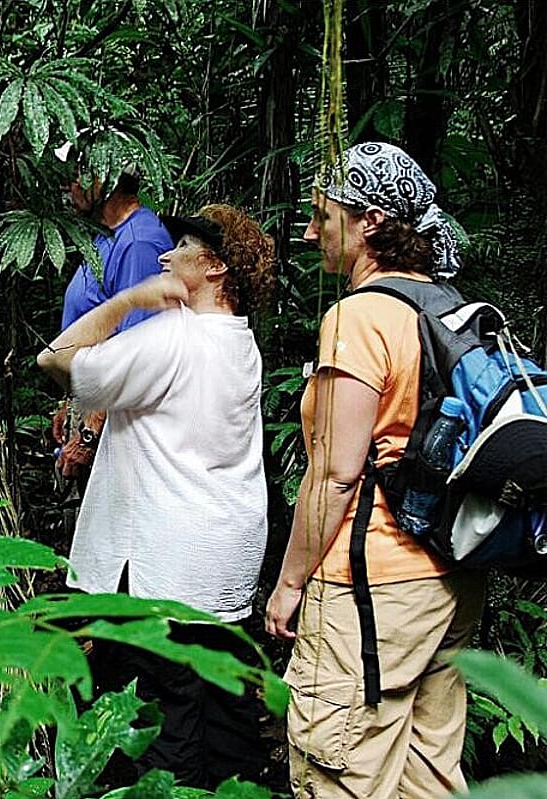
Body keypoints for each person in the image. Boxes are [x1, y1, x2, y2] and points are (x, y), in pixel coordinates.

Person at [264, 142, 480, 799]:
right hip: (450, 577)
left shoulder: (358, 317)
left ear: (371, 222)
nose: (310, 233)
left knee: (341, 773)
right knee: (430, 774)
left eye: (323, 216)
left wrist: (289, 583)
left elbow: (336, 473)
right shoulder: (450, 308)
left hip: (369, 589)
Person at [38, 204, 276, 789]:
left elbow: (58, 360)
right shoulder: (240, 340)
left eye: (184, 247)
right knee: (221, 715)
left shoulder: (175, 334)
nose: (166, 255)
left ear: (215, 267)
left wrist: (127, 301)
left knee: (159, 723)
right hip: (221, 560)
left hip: (160, 567)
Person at [50, 134, 173, 481]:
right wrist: (72, 403)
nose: (70, 184)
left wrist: (91, 433)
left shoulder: (138, 243)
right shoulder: (108, 236)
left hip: (115, 424)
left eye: (78, 173)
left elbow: (136, 351)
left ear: (104, 177)